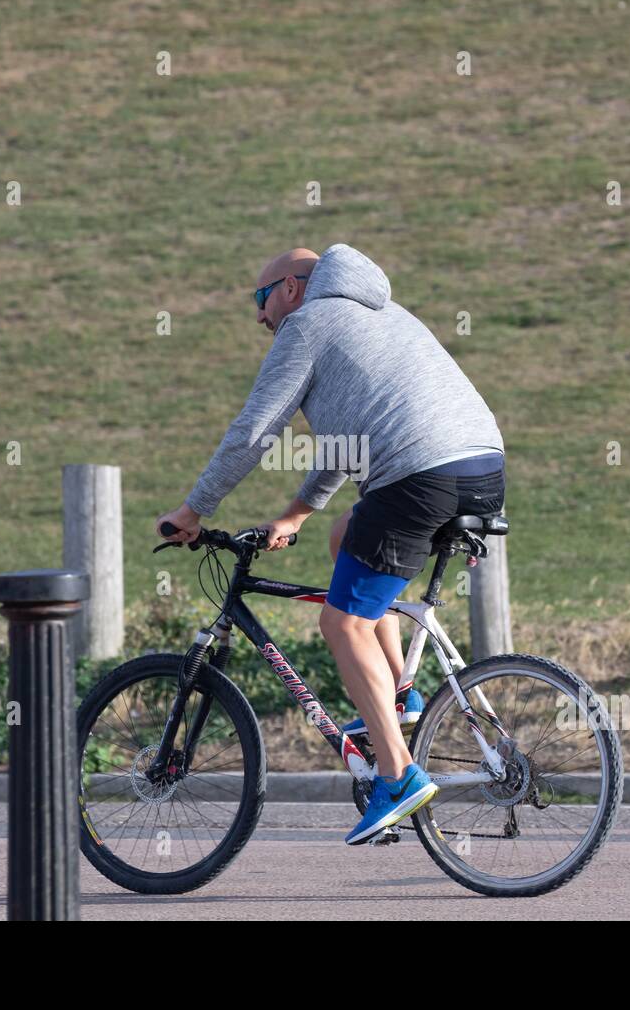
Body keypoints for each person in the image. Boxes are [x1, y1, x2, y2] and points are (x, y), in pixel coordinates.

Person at [155, 243, 506, 845]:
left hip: (420, 476)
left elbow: (254, 432)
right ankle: (400, 697)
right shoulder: (386, 317)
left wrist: (193, 511)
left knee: (341, 624)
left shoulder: (308, 324)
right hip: (483, 468)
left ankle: (397, 775)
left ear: (290, 288)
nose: (259, 317)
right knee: (349, 534)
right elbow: (351, 441)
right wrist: (296, 515)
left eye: (260, 299)